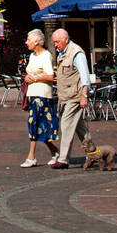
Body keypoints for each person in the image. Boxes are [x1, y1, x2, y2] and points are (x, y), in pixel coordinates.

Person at [49, 28, 92, 168]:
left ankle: (63, 159)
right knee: (79, 127)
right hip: (66, 97)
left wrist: (84, 95)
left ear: (65, 40)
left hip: (75, 96)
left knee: (66, 124)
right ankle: (93, 152)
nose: (55, 45)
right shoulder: (62, 53)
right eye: (54, 42)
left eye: (57, 42)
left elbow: (85, 76)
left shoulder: (77, 53)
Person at [20, 30, 59, 168]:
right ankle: (54, 151)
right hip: (32, 94)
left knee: (34, 123)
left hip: (42, 95)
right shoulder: (32, 56)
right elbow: (30, 72)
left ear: (36, 41)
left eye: (28, 39)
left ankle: (31, 157)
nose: (26, 42)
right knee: (37, 125)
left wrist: (35, 78)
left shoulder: (46, 56)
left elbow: (50, 76)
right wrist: (27, 77)